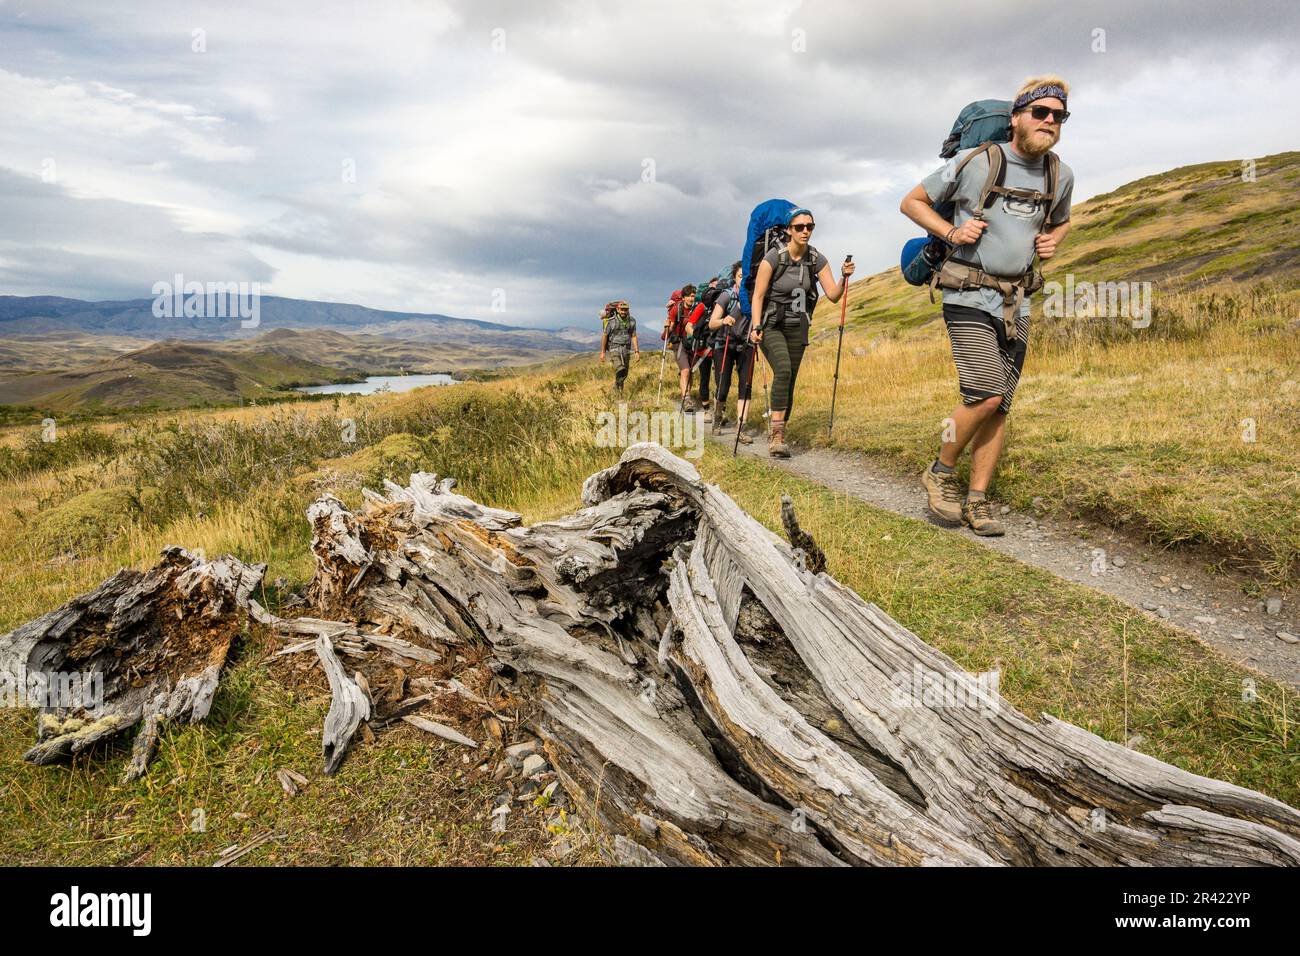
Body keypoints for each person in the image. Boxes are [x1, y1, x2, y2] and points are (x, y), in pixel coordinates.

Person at [901, 75, 1075, 536]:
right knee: (987, 393)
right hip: (966, 293)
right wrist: (952, 232)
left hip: (1017, 301)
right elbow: (912, 201)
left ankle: (977, 501)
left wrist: (1052, 241)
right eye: (1041, 112)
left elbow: (1063, 221)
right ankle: (939, 472)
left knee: (1000, 407)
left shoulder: (1060, 174)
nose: (1050, 121)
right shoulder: (977, 161)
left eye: (1059, 116)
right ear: (1017, 116)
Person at [750, 207, 854, 457]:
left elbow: (833, 296)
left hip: (799, 326)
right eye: (799, 227)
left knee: (789, 382)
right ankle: (777, 437)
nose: (805, 231)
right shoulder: (774, 258)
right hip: (772, 324)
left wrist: (843, 277)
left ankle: (779, 430)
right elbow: (758, 296)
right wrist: (755, 326)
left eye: (810, 226)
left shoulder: (816, 259)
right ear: (789, 230)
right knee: (783, 370)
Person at [707, 261, 756, 443]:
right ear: (734, 278)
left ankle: (740, 429)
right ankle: (718, 418)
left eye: (746, 276)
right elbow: (712, 323)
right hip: (724, 343)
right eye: (740, 276)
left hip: (746, 344)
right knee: (723, 384)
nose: (743, 279)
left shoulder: (754, 297)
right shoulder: (727, 296)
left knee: (746, 385)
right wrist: (724, 320)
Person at [663, 284, 699, 410]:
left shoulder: (697, 309)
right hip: (678, 342)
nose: (691, 299)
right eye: (688, 296)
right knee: (685, 370)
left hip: (692, 342)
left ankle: (687, 394)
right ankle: (686, 399)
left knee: (691, 371)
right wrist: (666, 330)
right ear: (683, 297)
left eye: (693, 296)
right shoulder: (676, 309)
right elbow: (672, 326)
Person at [599, 300, 639, 393]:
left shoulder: (632, 321)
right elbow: (605, 336)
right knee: (620, 368)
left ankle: (618, 390)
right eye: (622, 309)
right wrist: (603, 352)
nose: (623, 312)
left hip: (626, 348)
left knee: (625, 373)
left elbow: (634, 336)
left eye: (625, 310)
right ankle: (618, 391)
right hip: (614, 347)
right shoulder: (611, 321)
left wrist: (637, 351)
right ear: (617, 310)